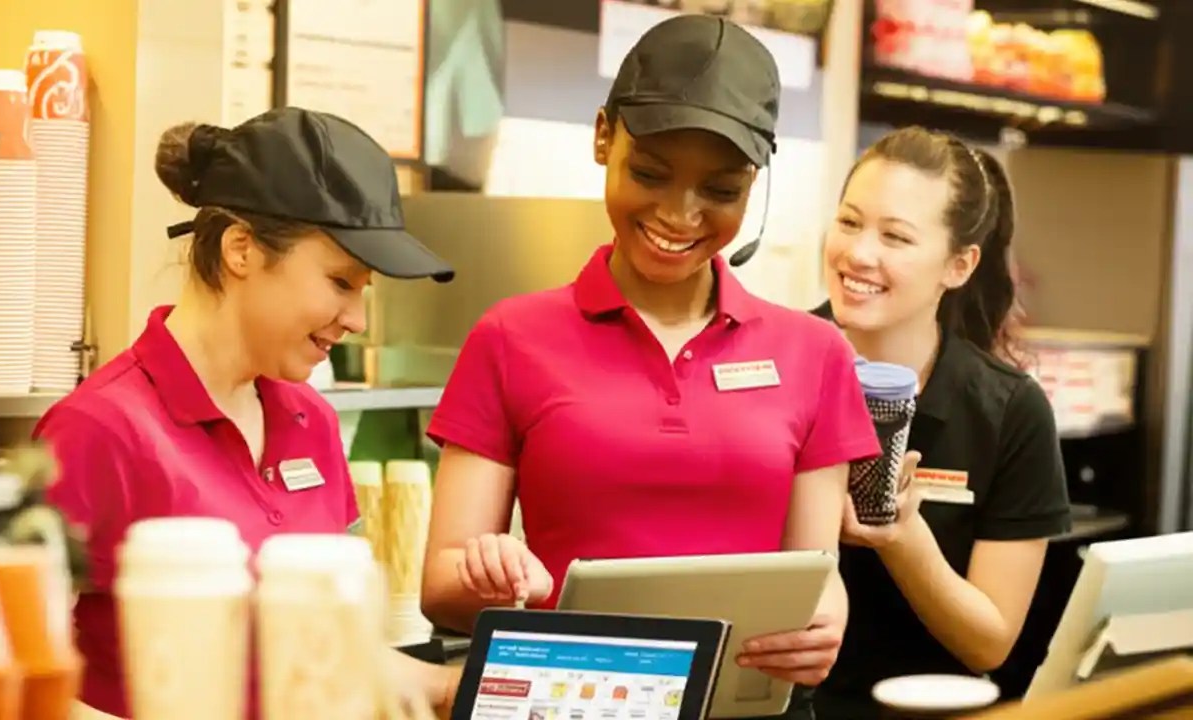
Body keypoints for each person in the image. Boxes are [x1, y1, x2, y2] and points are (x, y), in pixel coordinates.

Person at [420, 13, 883, 714]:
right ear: (603, 137)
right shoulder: (511, 337)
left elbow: (817, 573)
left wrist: (824, 621)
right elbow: (442, 587)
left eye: (721, 191)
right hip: (574, 702)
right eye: (650, 174)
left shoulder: (815, 353)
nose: (681, 213)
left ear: (754, 182)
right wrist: (502, 581)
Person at [37, 107, 462, 719]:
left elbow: (337, 651)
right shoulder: (97, 432)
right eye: (341, 282)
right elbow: (27, 689)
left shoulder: (312, 421)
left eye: (364, 290)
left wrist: (460, 690)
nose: (357, 319)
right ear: (241, 249)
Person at [811, 126, 1071, 719]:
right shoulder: (775, 362)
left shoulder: (1010, 410)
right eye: (849, 222)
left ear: (959, 264)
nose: (859, 254)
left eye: (896, 236)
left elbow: (989, 642)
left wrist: (904, 539)